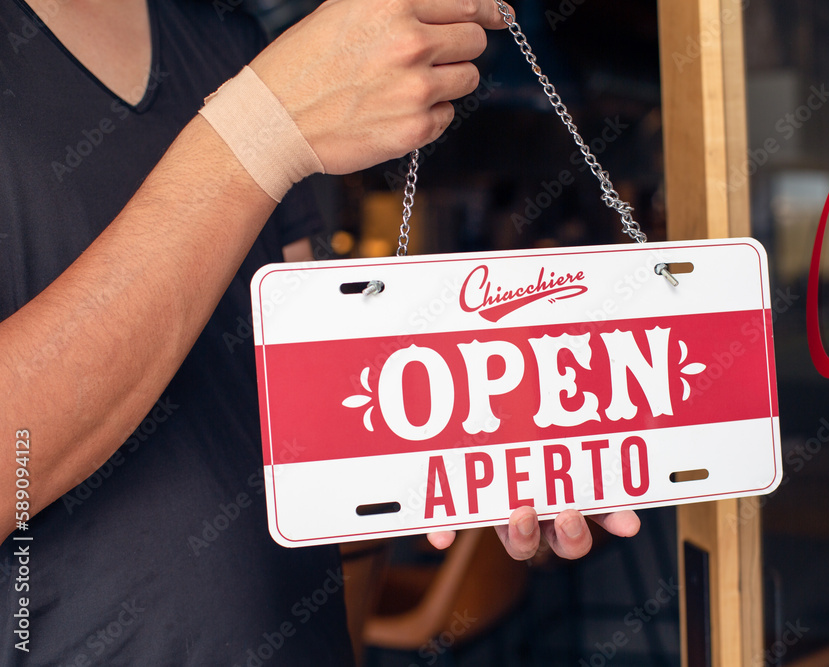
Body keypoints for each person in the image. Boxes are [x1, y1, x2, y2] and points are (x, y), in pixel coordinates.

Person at [0, 0, 640, 663]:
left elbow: (320, 406)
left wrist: (482, 448)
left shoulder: (224, 35)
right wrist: (257, 131)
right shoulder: (262, 76)